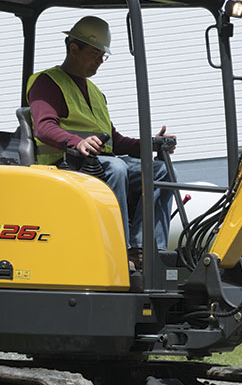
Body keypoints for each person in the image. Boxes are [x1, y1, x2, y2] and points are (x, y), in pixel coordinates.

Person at [25, 15, 174, 270]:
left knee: (160, 170)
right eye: (95, 53)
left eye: (103, 55)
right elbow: (44, 127)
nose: (99, 61)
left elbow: (113, 141)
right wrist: (76, 143)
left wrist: (151, 144)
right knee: (115, 169)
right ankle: (118, 250)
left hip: (97, 161)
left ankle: (146, 249)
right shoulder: (46, 83)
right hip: (63, 165)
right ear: (74, 48)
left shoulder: (95, 92)